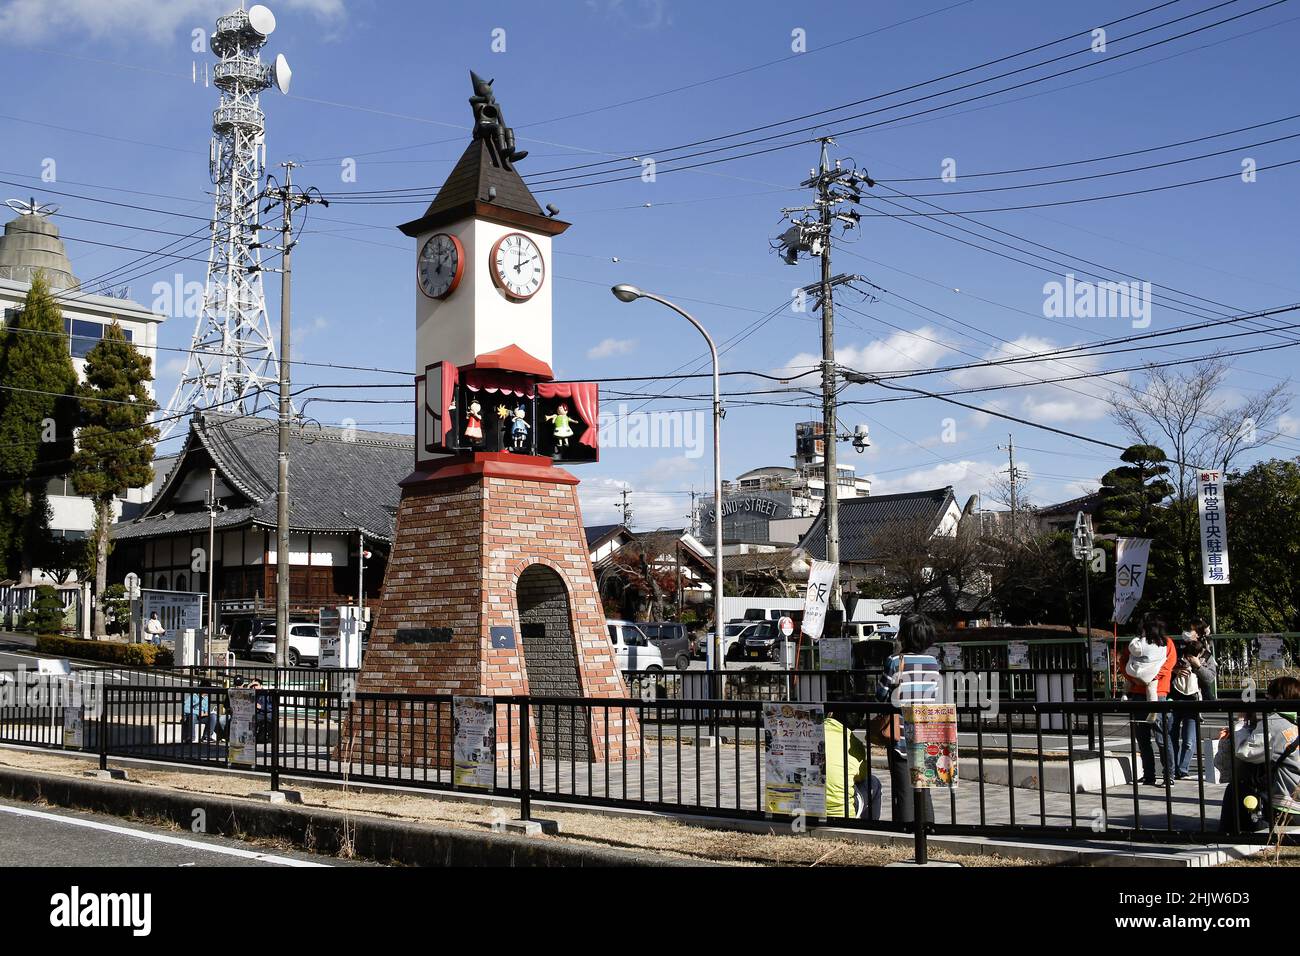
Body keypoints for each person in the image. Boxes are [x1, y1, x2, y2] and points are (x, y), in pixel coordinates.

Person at [875, 613, 941, 824]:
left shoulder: (895, 661)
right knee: (924, 789)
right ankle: (927, 828)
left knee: (903, 790)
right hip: (927, 732)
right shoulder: (932, 662)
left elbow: (881, 694)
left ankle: (905, 831)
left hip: (901, 733)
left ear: (904, 636)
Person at [1217, 676, 1300, 834]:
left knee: (1235, 789)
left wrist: (1242, 722)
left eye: (1269, 694)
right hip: (1296, 803)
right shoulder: (1293, 722)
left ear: (1280, 698)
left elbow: (1244, 751)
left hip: (1283, 808)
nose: (1266, 698)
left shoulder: (1274, 724)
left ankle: (1226, 839)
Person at [1119, 614, 1177, 786]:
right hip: (1153, 690)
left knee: (1160, 736)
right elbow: (1168, 665)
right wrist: (1150, 677)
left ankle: (1168, 775)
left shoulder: (1164, 642)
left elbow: (1124, 662)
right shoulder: (1162, 642)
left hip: (1151, 691)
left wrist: (1136, 677)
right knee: (1143, 737)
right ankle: (1150, 774)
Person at [824, 711, 882, 821]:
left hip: (807, 809)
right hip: (841, 812)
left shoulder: (813, 733)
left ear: (831, 714)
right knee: (873, 782)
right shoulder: (854, 743)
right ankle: (871, 827)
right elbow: (861, 776)